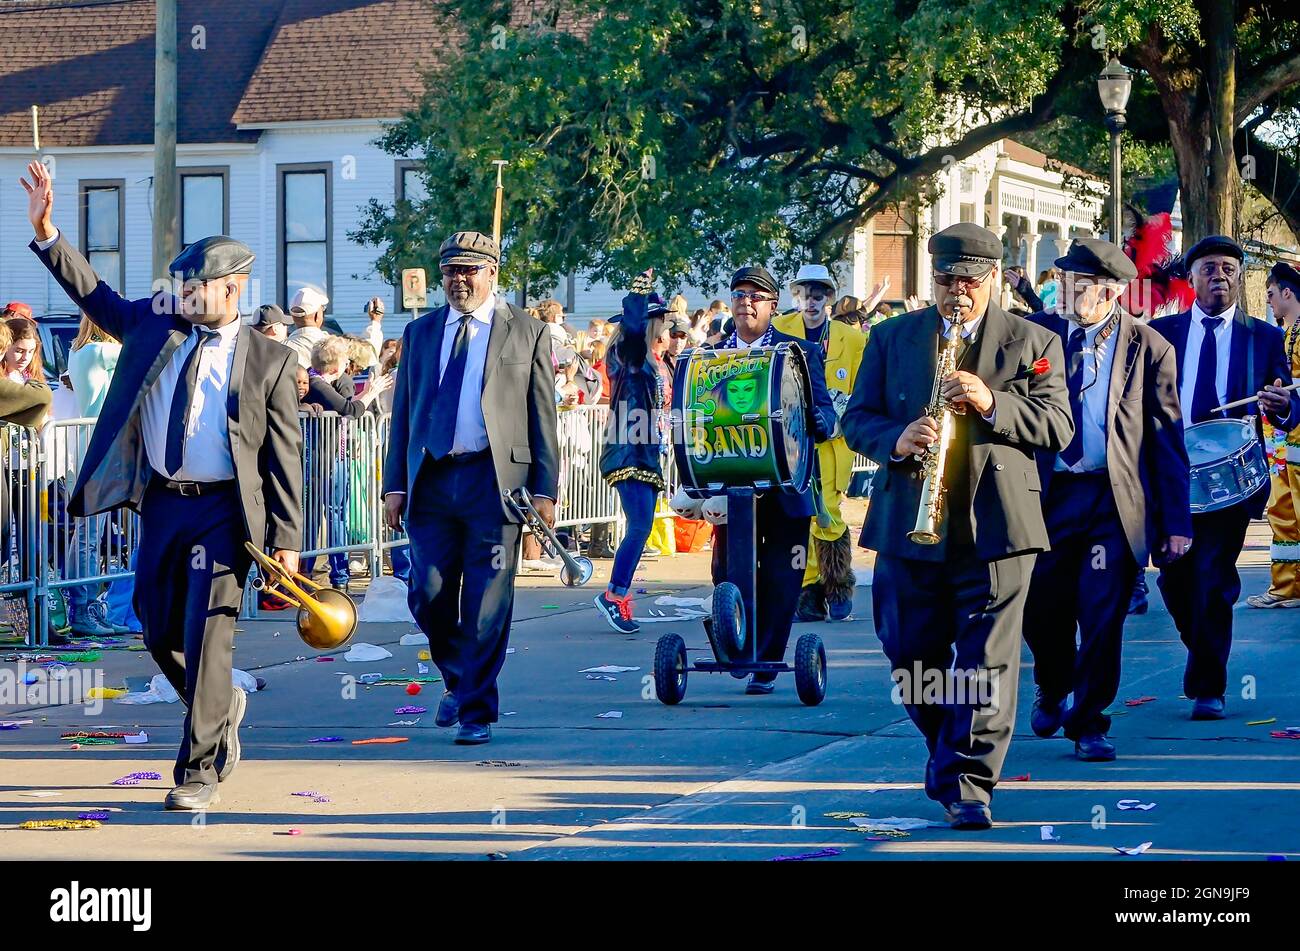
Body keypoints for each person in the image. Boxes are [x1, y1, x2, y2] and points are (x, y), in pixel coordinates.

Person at [22, 159, 302, 811]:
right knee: (155, 627)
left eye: (195, 286)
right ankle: (218, 702)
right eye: (178, 284)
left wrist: (286, 540)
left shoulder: (269, 359)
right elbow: (96, 296)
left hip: (226, 513)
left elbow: (285, 456)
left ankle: (197, 769)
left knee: (209, 632)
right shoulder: (153, 323)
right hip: (162, 506)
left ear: (233, 289)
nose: (181, 293)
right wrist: (47, 231)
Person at [841, 222, 1072, 830]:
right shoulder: (892, 338)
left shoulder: (1034, 339)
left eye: (969, 281)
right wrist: (895, 438)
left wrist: (993, 402)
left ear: (993, 279)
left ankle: (969, 784)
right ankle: (950, 751)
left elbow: (1058, 427)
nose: (957, 293)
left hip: (998, 529)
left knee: (985, 664)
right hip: (908, 527)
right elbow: (855, 419)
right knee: (909, 654)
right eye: (945, 281)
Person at [383, 231, 559, 746]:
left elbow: (542, 417)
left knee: (486, 601)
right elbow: (403, 417)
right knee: (428, 593)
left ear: (492, 272)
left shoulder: (526, 332)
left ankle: (476, 711)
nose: (460, 280)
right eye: (451, 272)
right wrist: (395, 483)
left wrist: (545, 491)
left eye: (471, 271)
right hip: (432, 480)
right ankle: (460, 681)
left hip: (494, 483)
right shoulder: (420, 334)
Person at [1021, 238, 1191, 761]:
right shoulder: (1037, 335)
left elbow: (1166, 438)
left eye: (1078, 283)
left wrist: (1176, 520)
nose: (1064, 291)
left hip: (1113, 502)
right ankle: (1053, 685)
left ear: (1111, 291)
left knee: (1102, 612)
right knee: (1040, 607)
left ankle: (1090, 719)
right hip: (1048, 495)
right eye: (1063, 280)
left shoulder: (1150, 347)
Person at [1149, 236, 1298, 719]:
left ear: (1239, 278)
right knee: (1173, 579)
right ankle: (1203, 654)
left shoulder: (1264, 337)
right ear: (1191, 277)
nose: (1221, 276)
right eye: (1209, 268)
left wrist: (1283, 407)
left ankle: (1209, 685)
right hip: (1170, 474)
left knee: (1213, 579)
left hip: (1229, 481)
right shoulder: (1160, 332)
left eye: (1230, 269)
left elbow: (1287, 406)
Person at [706, 266, 836, 694]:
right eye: (740, 294)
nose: (747, 302)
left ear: (773, 305)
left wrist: (822, 421)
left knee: (782, 577)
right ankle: (738, 646)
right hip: (735, 484)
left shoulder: (799, 352)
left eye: (757, 296)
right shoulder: (711, 356)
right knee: (728, 570)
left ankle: (767, 660)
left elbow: (827, 414)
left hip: (787, 486)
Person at [776, 264, 866, 623]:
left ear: (829, 299)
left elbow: (863, 389)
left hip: (832, 440)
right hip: (792, 439)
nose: (811, 303)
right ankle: (810, 591)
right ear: (796, 297)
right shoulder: (781, 329)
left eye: (818, 296)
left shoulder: (852, 338)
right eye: (804, 295)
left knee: (826, 510)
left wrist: (840, 414)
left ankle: (839, 583)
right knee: (803, 514)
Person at [592, 275, 673, 633]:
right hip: (628, 449)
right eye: (662, 321)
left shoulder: (651, 360)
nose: (666, 327)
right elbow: (636, 333)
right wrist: (638, 297)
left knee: (641, 527)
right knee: (639, 526)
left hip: (645, 449)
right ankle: (613, 594)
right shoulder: (628, 353)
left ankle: (618, 595)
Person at [64, 315, 130, 636]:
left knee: (85, 533)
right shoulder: (101, 352)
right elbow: (139, 349)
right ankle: (84, 607)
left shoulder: (78, 352)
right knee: (90, 534)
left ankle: (80, 601)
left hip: (86, 447)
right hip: (98, 449)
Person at [1247, 262, 1300, 608]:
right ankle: (1287, 587)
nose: (1268, 302)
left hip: (1295, 439)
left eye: (1270, 294)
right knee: (1282, 513)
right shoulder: (1283, 335)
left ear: (1287, 293)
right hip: (1283, 441)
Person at [284, 286, 331, 369]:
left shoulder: (282, 347)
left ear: (293, 317)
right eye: (322, 309)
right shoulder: (332, 345)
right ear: (317, 315)